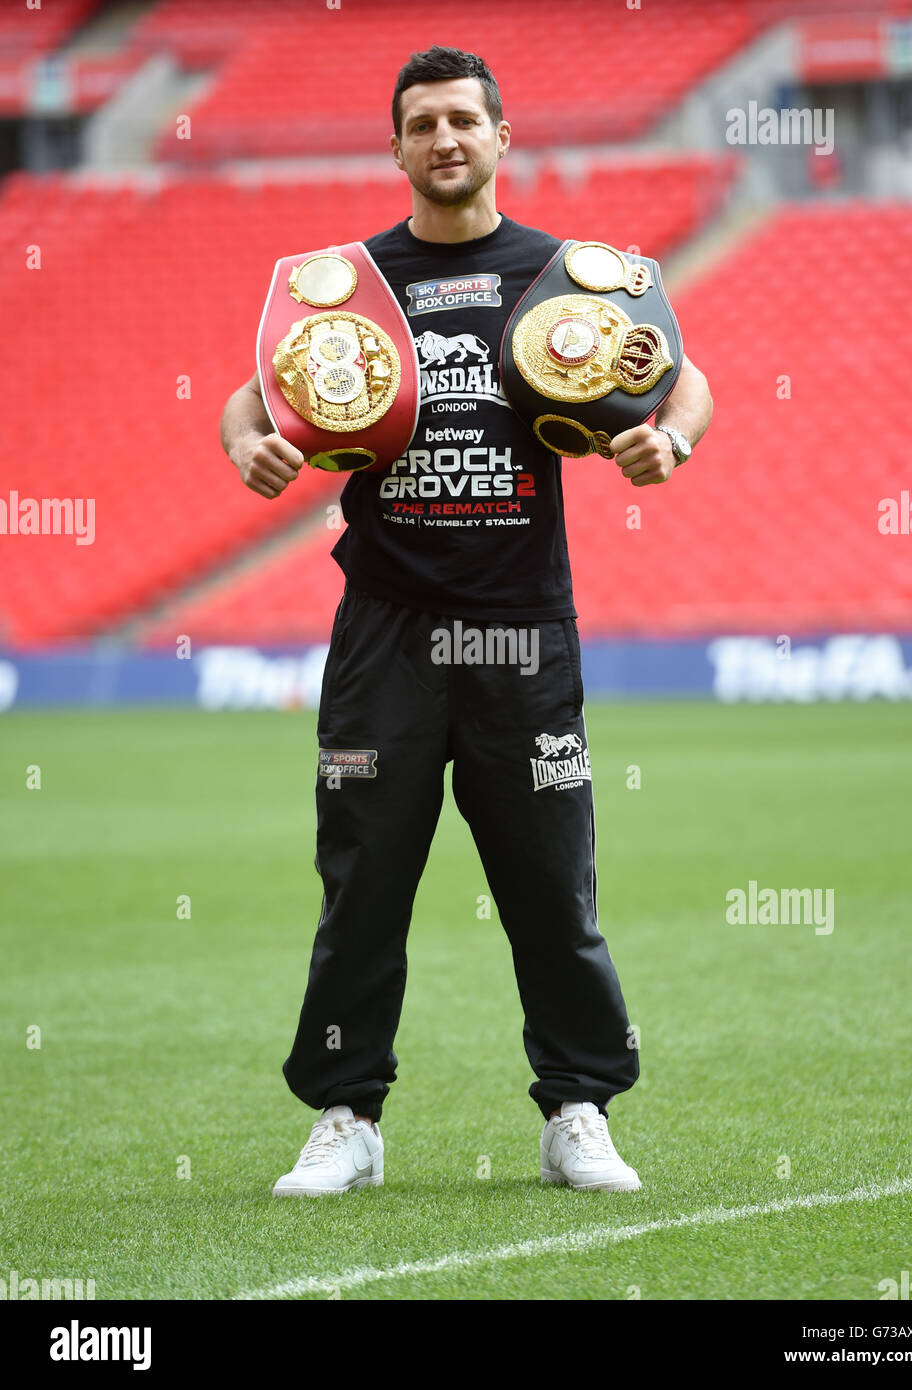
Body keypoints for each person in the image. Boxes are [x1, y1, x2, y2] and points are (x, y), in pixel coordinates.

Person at [220, 46, 713, 1196]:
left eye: (462, 121)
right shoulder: (350, 283)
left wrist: (667, 441)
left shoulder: (567, 276)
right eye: (421, 124)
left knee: (550, 877)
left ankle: (578, 1108)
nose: (444, 140)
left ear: (502, 136)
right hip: (385, 629)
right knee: (365, 877)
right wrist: (249, 443)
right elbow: (258, 386)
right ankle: (348, 1115)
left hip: (520, 629)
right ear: (396, 148)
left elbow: (687, 376)